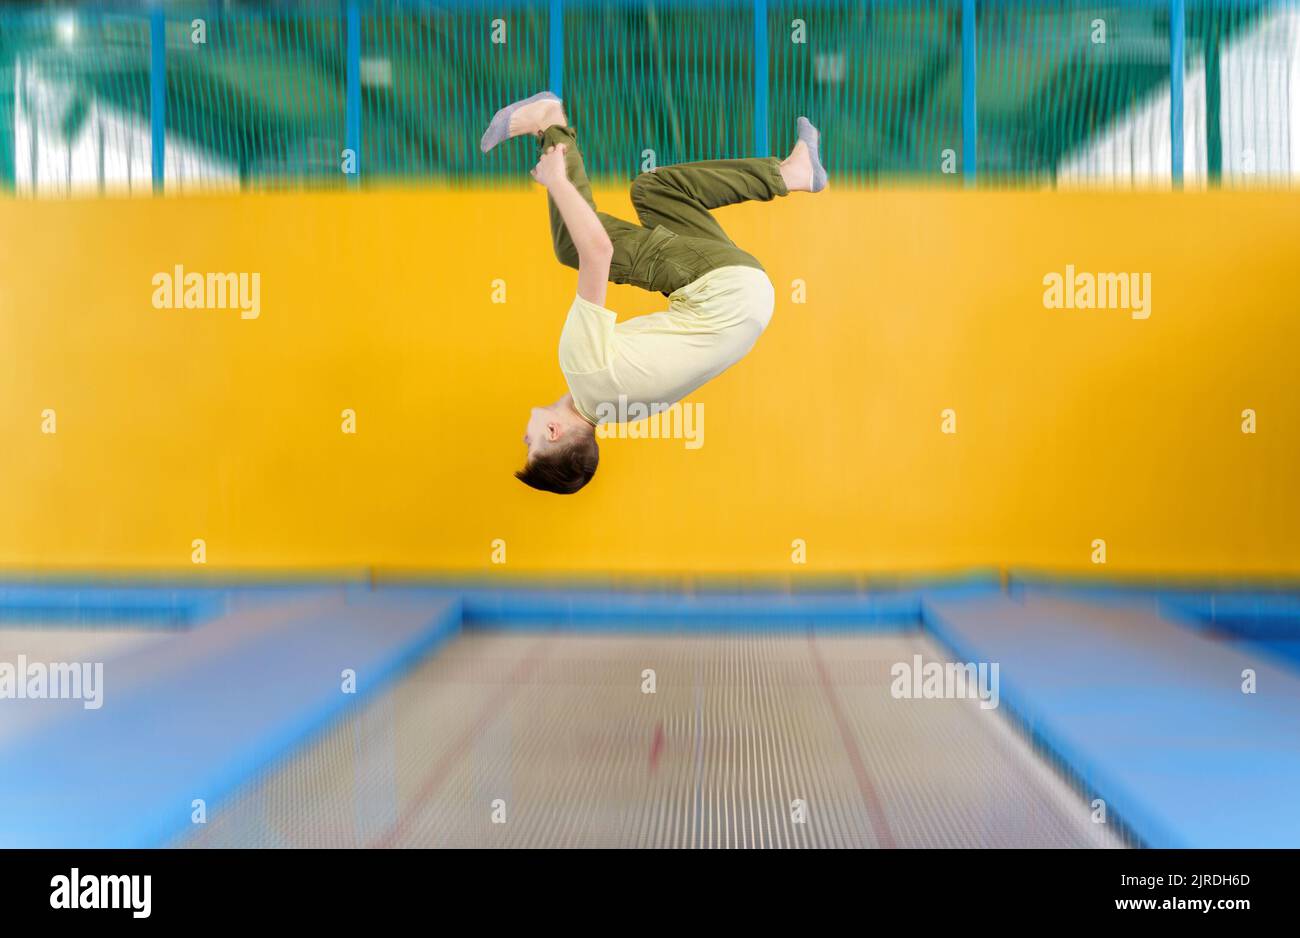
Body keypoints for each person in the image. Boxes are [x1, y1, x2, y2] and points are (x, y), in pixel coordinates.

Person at [481, 92, 827, 494]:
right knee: (573, 246)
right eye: (531, 444)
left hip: (751, 300)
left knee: (656, 191)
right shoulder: (583, 372)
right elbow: (598, 252)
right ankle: (550, 122)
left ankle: (791, 174)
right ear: (555, 431)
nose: (525, 437)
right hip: (721, 287)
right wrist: (557, 181)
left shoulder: (620, 413)